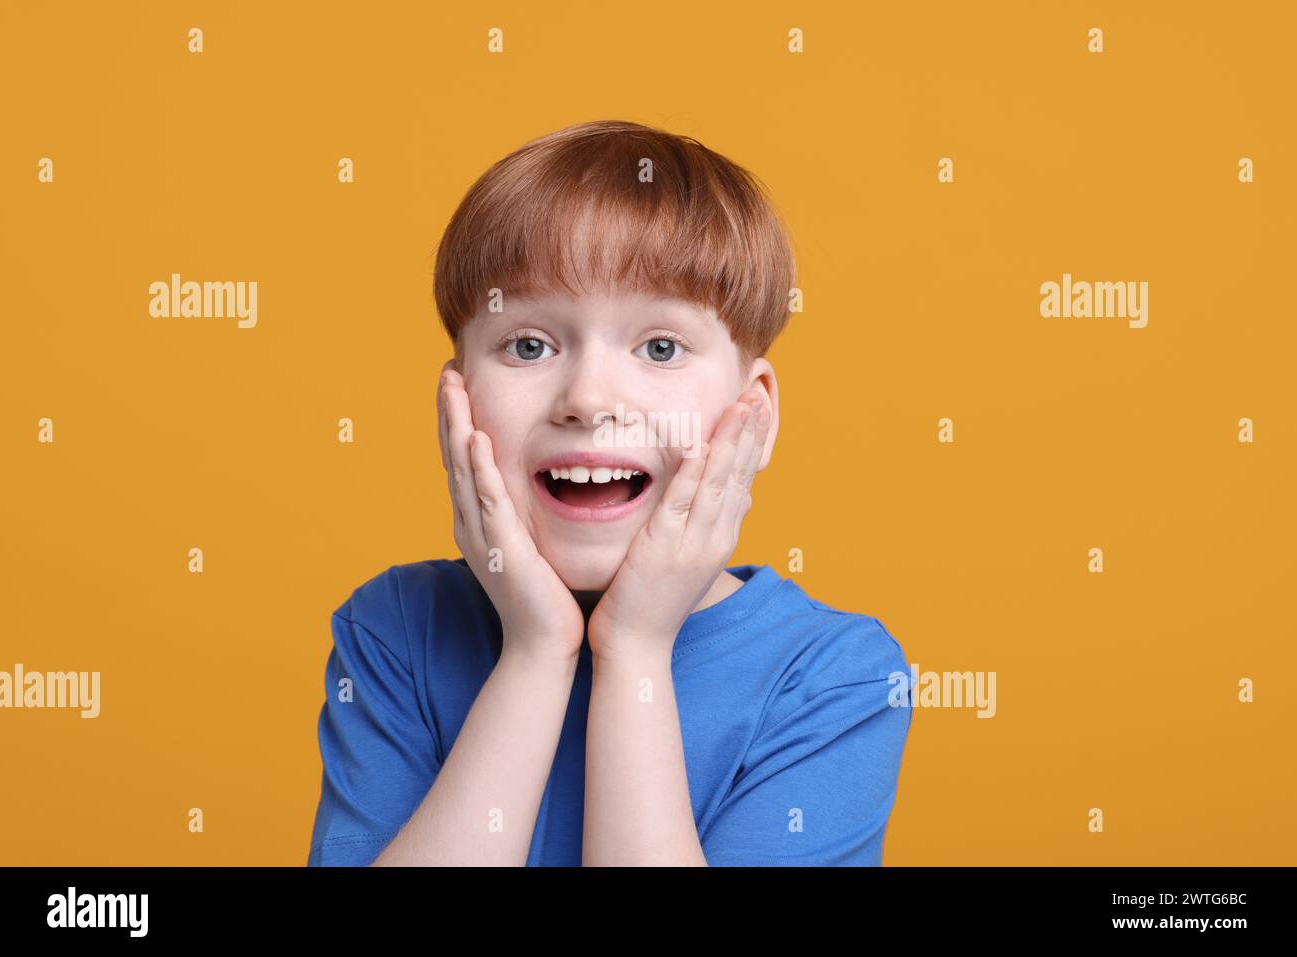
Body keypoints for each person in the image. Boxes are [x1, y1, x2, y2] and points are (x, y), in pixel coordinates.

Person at [307, 120, 913, 866]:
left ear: (752, 411)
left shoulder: (833, 676)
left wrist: (634, 652)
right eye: (528, 345)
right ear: (456, 400)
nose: (589, 399)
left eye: (660, 347)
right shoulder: (395, 633)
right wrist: (536, 654)